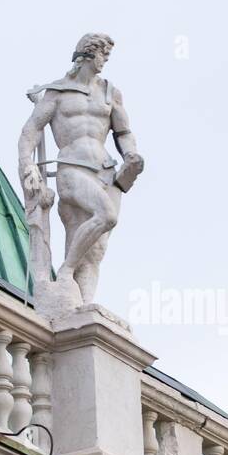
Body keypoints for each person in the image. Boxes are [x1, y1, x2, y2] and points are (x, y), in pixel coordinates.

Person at [18, 33, 144, 307]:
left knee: (95, 249)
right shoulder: (57, 91)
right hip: (72, 167)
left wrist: (130, 153)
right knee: (107, 216)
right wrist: (27, 164)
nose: (105, 61)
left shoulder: (111, 92)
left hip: (106, 172)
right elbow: (31, 130)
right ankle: (66, 270)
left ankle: (83, 305)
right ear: (88, 54)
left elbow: (123, 132)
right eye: (103, 55)